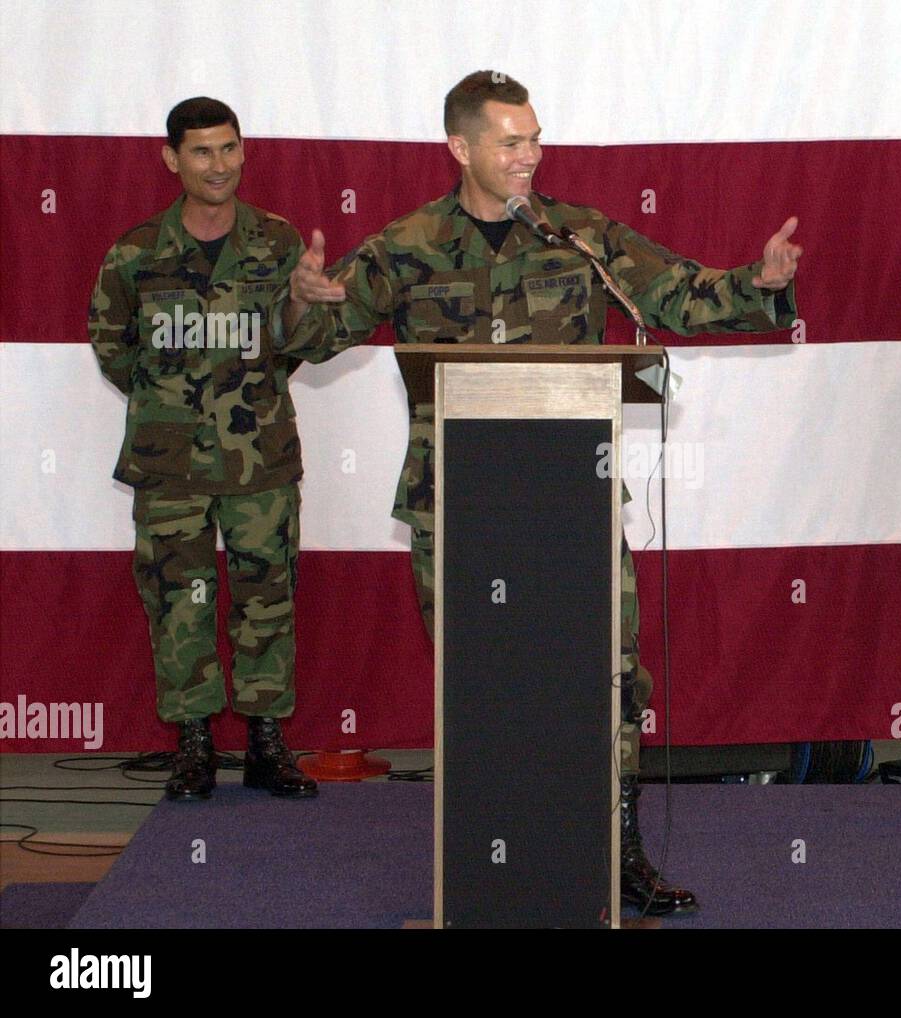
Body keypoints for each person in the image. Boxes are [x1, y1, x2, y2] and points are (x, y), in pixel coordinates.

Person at [276, 71, 801, 912]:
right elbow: (314, 334)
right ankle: (487, 865)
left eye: (534, 139)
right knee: (481, 687)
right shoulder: (406, 244)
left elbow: (676, 294)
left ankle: (617, 852)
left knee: (610, 679)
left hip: (570, 504)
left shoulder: (579, 235)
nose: (529, 157)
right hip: (456, 508)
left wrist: (761, 285)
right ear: (461, 148)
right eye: (510, 143)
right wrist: (301, 301)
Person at [90, 97, 323, 801]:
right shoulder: (135, 252)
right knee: (178, 601)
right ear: (172, 159)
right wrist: (170, 403)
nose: (218, 165)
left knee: (267, 596)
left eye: (228, 149)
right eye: (200, 152)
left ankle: (264, 740)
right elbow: (111, 346)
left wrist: (305, 304)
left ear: (242, 151)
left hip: (260, 461)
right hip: (171, 469)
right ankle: (193, 744)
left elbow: (300, 347)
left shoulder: (279, 244)